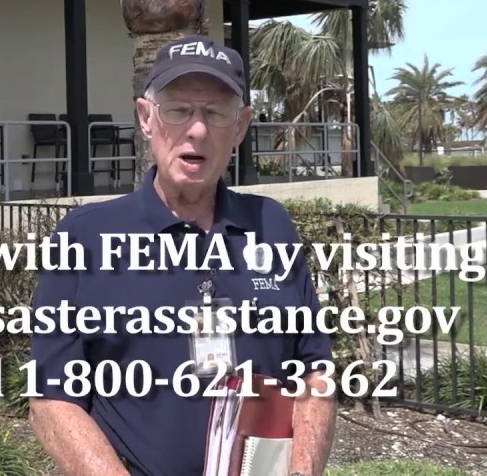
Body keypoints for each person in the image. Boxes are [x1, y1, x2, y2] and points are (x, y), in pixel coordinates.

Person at [28, 35, 338, 476]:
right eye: (178, 110)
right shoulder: (86, 238)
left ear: (242, 126)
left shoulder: (272, 226)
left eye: (216, 113)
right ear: (146, 118)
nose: (196, 130)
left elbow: (314, 371)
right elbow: (51, 401)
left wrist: (303, 471)